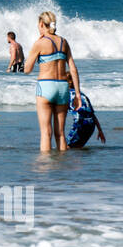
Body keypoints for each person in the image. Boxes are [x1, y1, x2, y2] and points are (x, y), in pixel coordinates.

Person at [23, 10, 82, 152]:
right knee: (60, 133)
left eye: (38, 25)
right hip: (63, 88)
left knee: (46, 133)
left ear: (42, 24)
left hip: (46, 86)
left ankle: (46, 168)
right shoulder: (64, 42)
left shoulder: (40, 43)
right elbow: (73, 69)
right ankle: (62, 166)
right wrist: (78, 95)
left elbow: (27, 69)